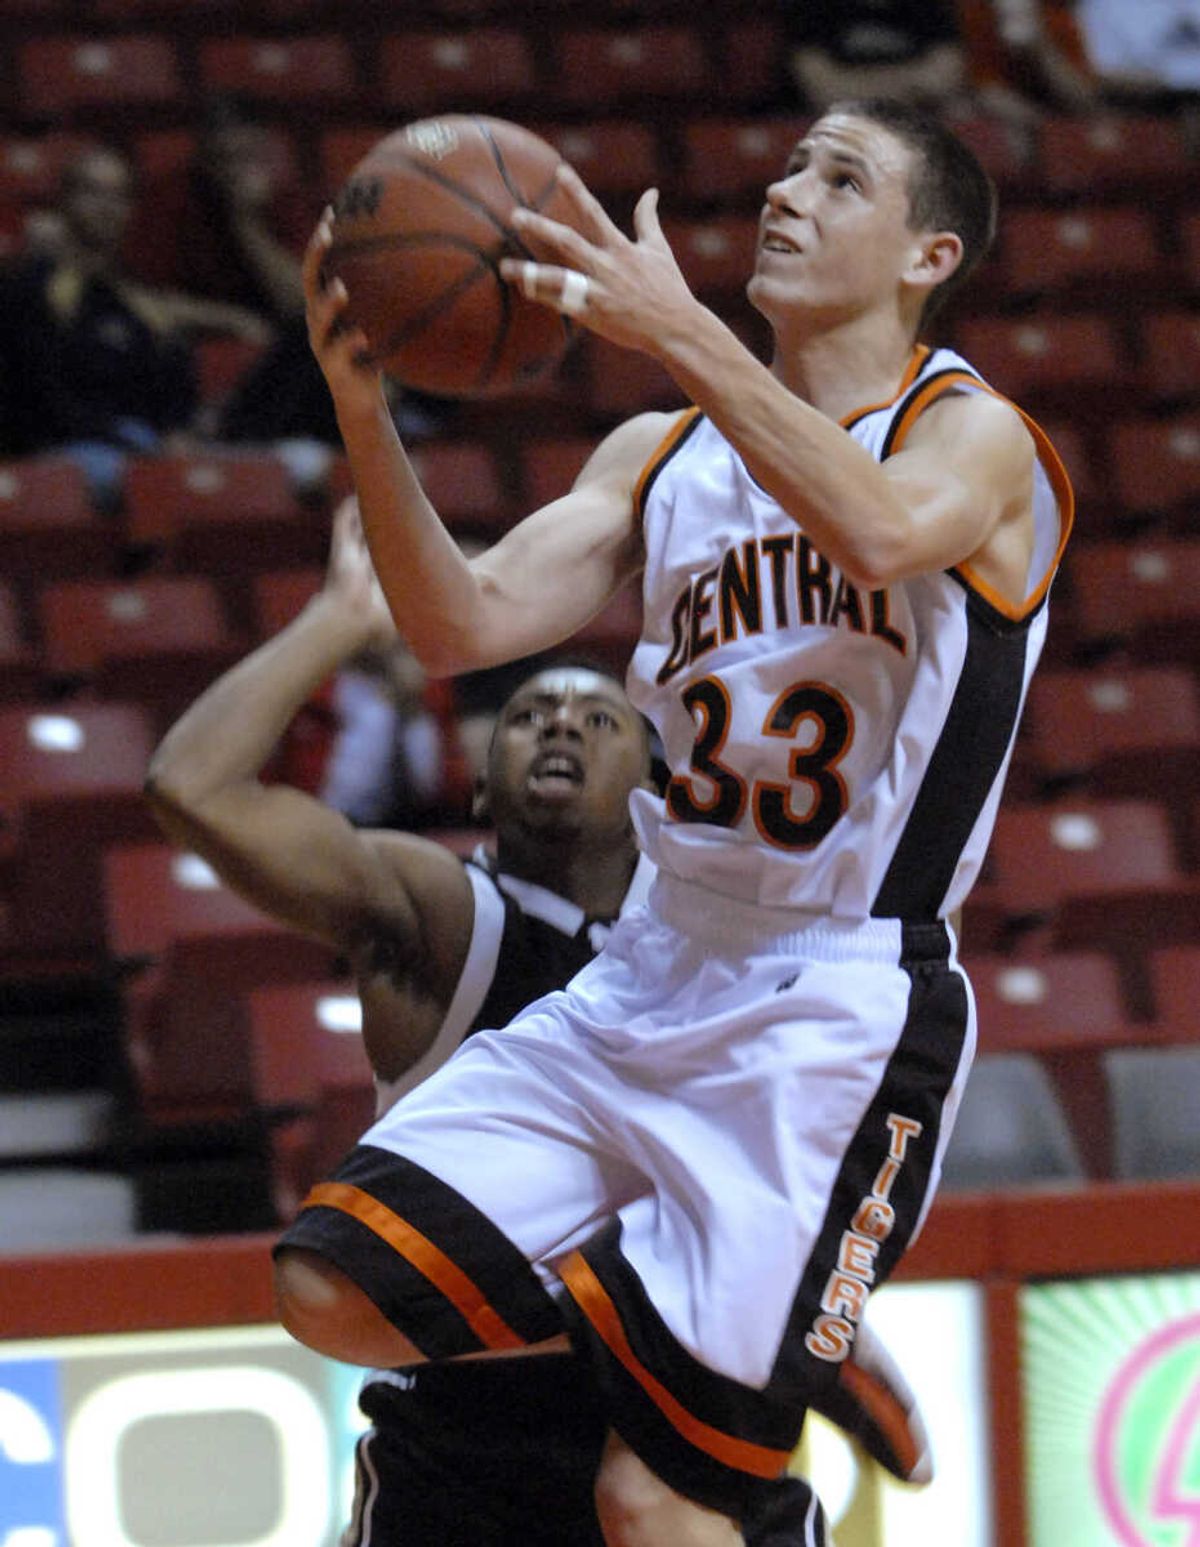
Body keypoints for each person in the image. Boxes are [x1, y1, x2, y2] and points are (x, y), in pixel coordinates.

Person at [274, 98, 1072, 1544]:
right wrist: (363, 415)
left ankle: (766, 1329)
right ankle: (765, 1334)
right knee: (333, 1283)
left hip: (828, 1002)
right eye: (786, 165)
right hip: (647, 972)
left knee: (651, 1504)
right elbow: (462, 618)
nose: (787, 192)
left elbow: (882, 530)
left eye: (842, 180)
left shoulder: (975, 437)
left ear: (928, 252)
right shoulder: (659, 453)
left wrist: (677, 328)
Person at [146, 499, 934, 1546]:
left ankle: (792, 1319)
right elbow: (190, 785)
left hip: (677, 1415)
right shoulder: (439, 914)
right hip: (473, 1439)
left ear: (660, 786)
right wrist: (338, 621)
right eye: (527, 715)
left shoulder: (730, 941)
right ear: (481, 786)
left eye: (598, 716)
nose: (559, 723)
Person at [0, 144, 267, 508]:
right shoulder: (33, 289)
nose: (107, 207)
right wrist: (135, 444)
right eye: (93, 192)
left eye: (119, 196)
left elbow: (173, 386)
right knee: (144, 479)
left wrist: (177, 433)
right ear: (65, 200)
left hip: (144, 447)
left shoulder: (136, 297)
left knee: (281, 469)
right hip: (67, 452)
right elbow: (38, 400)